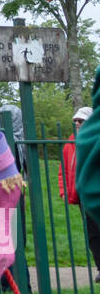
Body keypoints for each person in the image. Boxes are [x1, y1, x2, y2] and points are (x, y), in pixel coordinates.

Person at [59, 107, 100, 282]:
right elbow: (63, 170)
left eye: (81, 121)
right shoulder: (70, 143)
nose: (77, 123)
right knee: (93, 234)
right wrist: (64, 191)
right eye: (76, 120)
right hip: (84, 196)